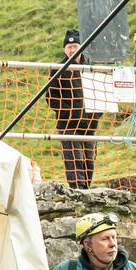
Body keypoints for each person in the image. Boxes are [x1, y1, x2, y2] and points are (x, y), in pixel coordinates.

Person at [44, 29, 100, 188]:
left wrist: (95, 115)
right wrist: (68, 113)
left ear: (81, 47)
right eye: (69, 47)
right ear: (64, 49)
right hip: (68, 125)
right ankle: (77, 192)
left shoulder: (91, 67)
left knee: (89, 161)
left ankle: (86, 191)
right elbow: (51, 97)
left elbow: (100, 93)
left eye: (75, 46)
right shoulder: (57, 68)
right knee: (74, 161)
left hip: (89, 124)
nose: (72, 50)